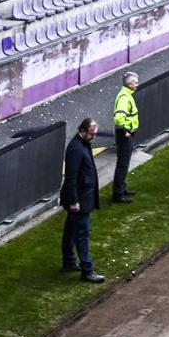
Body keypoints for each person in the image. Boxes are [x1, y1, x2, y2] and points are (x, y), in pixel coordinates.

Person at [59, 116, 105, 283]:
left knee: (71, 230)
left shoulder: (80, 145)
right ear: (83, 131)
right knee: (82, 234)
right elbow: (70, 177)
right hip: (80, 199)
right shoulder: (76, 149)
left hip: (81, 197)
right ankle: (87, 269)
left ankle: (69, 262)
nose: (93, 137)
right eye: (92, 134)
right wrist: (74, 201)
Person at [110, 71, 140, 204]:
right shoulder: (124, 98)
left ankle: (122, 188)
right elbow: (119, 118)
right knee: (122, 164)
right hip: (125, 135)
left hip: (126, 134)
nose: (137, 84)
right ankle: (118, 193)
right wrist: (125, 130)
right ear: (129, 84)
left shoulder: (126, 95)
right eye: (135, 82)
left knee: (124, 163)